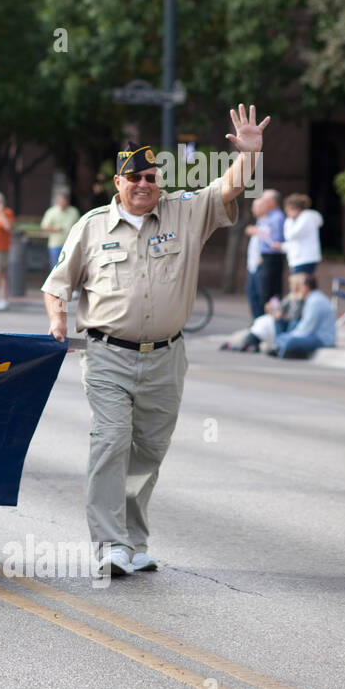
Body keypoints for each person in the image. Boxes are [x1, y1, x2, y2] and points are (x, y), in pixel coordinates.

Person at [42, 103, 271, 575]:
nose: (145, 184)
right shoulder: (90, 227)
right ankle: (109, 544)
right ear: (118, 184)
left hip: (166, 357)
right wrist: (58, 320)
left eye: (151, 177)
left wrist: (249, 156)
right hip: (108, 355)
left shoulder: (185, 212)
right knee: (111, 440)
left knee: (147, 450)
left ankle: (132, 539)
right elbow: (56, 284)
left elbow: (226, 187)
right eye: (135, 178)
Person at [273, 274, 336, 359]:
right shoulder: (313, 298)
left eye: (301, 285)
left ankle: (280, 347)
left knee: (289, 340)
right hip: (314, 336)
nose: (299, 288)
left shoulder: (315, 301)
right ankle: (281, 347)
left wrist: (290, 335)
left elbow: (307, 327)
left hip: (321, 339)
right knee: (284, 338)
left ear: (307, 287)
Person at [255, 190, 287, 303]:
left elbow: (276, 240)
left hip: (272, 256)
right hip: (266, 255)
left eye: (264, 200)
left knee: (269, 290)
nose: (262, 203)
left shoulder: (277, 217)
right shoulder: (268, 216)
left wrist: (258, 232)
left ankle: (271, 317)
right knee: (264, 289)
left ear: (272, 202)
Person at [40, 188, 80, 274]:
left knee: (70, 267)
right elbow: (44, 226)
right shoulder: (51, 212)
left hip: (70, 244)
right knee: (56, 268)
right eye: (61, 201)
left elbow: (79, 226)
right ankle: (55, 287)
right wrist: (55, 229)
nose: (63, 202)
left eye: (64, 201)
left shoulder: (73, 211)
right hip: (55, 244)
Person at [282, 193, 322, 276]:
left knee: (300, 285)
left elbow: (291, 235)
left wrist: (289, 219)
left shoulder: (305, 218)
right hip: (301, 258)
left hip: (304, 258)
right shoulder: (301, 218)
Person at [242, 196, 267, 319]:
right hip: (252, 265)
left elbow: (271, 237)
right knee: (252, 293)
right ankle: (257, 321)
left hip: (260, 264)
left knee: (260, 294)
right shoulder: (259, 222)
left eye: (256, 206)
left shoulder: (268, 221)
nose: (253, 209)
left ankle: (261, 321)